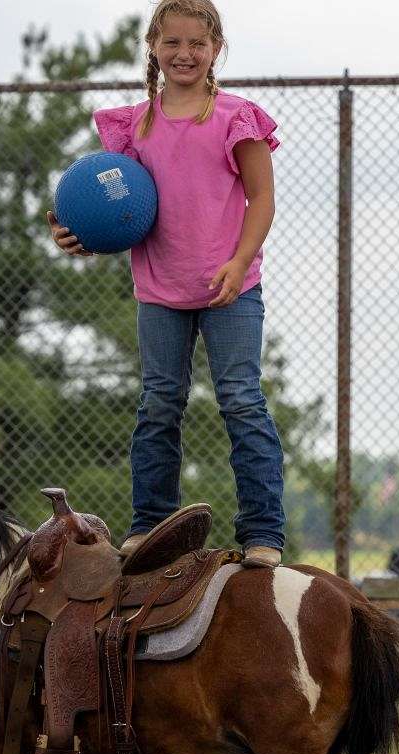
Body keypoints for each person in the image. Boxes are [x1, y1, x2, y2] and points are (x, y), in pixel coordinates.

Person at [47, 0, 285, 569]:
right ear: (153, 47)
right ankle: (150, 526)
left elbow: (263, 198)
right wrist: (69, 230)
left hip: (231, 289)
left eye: (197, 44)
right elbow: (106, 203)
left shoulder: (235, 117)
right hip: (160, 291)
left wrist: (239, 260)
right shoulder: (135, 126)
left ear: (216, 50)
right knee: (159, 405)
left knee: (241, 402)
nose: (184, 54)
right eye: (172, 43)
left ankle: (263, 534)